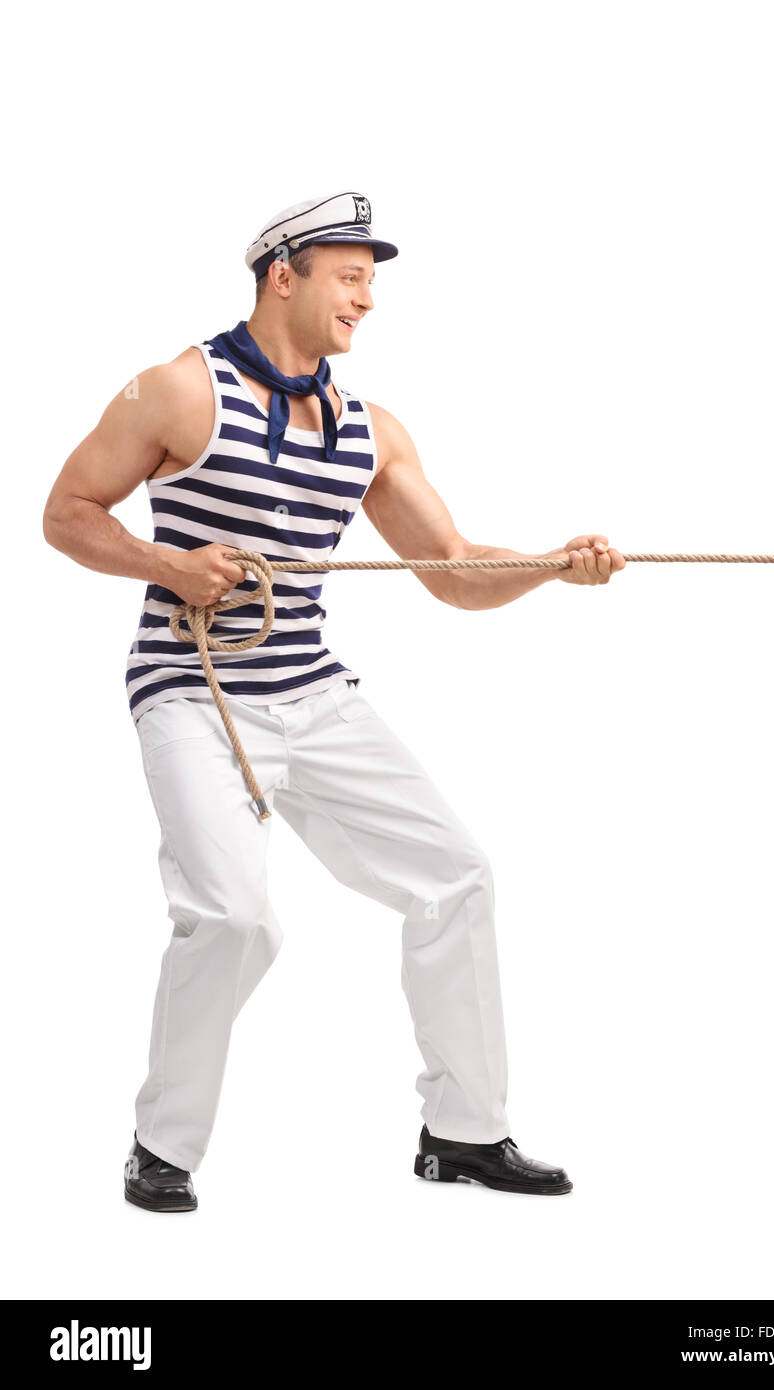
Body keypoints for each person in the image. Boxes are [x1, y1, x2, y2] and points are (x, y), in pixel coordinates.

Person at [42, 190, 626, 1210]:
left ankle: (463, 1132)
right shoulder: (177, 390)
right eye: (350, 276)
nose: (366, 299)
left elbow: (449, 571)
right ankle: (161, 1147)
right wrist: (167, 562)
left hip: (311, 692)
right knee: (233, 917)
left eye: (372, 280)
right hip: (193, 690)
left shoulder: (367, 429)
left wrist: (549, 566)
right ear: (285, 273)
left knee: (456, 875)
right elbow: (66, 512)